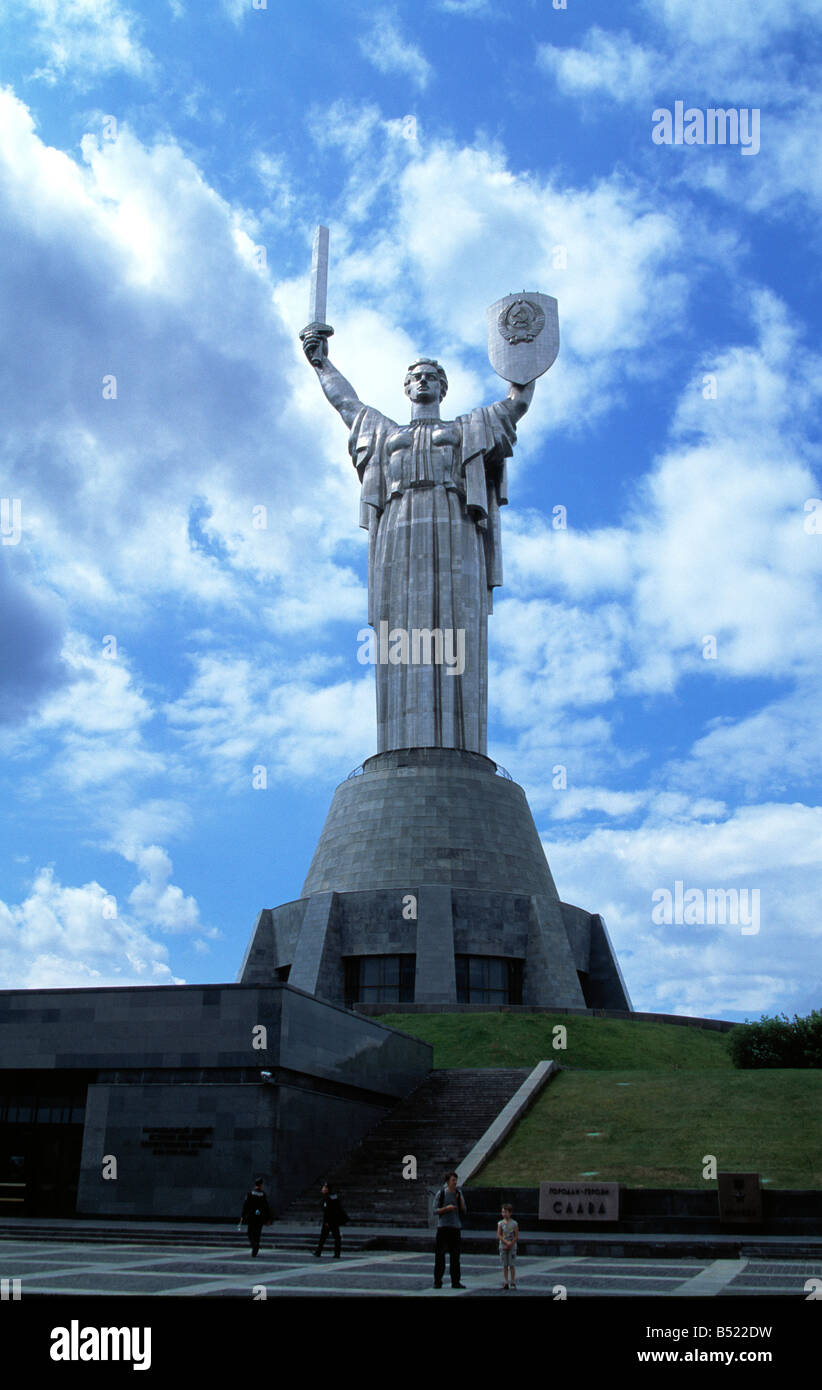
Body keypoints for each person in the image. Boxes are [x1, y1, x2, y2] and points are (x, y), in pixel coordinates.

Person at [300, 330, 534, 756]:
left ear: (444, 388)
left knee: (456, 622)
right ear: (406, 388)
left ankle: (459, 745)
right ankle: (401, 746)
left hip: (453, 523)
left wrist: (525, 362)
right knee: (400, 628)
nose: (423, 381)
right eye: (416, 377)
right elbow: (346, 405)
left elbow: (515, 404)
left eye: (431, 377)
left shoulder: (467, 428)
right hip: (398, 528)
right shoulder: (386, 432)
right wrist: (322, 364)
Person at [433, 1171, 467, 1289]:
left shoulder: (459, 1193)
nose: (455, 1182)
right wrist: (446, 1209)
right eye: (453, 1180)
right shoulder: (441, 1193)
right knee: (440, 1256)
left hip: (455, 1227)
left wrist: (459, 1199)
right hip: (443, 1227)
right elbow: (435, 1211)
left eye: (456, 1180)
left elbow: (464, 1209)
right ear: (448, 1181)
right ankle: (438, 1281)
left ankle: (455, 1281)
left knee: (455, 1257)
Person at [239, 1177, 272, 1258]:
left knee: (250, 1232)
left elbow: (246, 1205)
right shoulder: (263, 1194)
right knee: (257, 1233)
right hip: (260, 1216)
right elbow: (266, 1207)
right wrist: (268, 1219)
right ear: (261, 1185)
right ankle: (256, 1245)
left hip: (251, 1216)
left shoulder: (250, 1193)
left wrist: (243, 1216)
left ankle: (254, 1244)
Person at [313, 1181, 347, 1258]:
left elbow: (327, 1211)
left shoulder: (327, 1198)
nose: (322, 1189)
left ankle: (318, 1252)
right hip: (335, 1221)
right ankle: (337, 1253)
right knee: (336, 1237)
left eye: (324, 1188)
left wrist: (326, 1221)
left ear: (327, 1189)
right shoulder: (334, 1196)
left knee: (323, 1237)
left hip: (329, 1221)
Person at [497, 1202, 519, 1290]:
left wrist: (511, 1243)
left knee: (512, 1265)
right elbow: (499, 1235)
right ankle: (506, 1282)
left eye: (506, 1212)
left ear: (510, 1213)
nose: (504, 1214)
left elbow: (516, 1236)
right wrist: (506, 1242)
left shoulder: (514, 1223)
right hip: (503, 1246)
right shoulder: (500, 1223)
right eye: (503, 1212)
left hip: (512, 1246)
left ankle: (512, 1282)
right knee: (505, 1265)